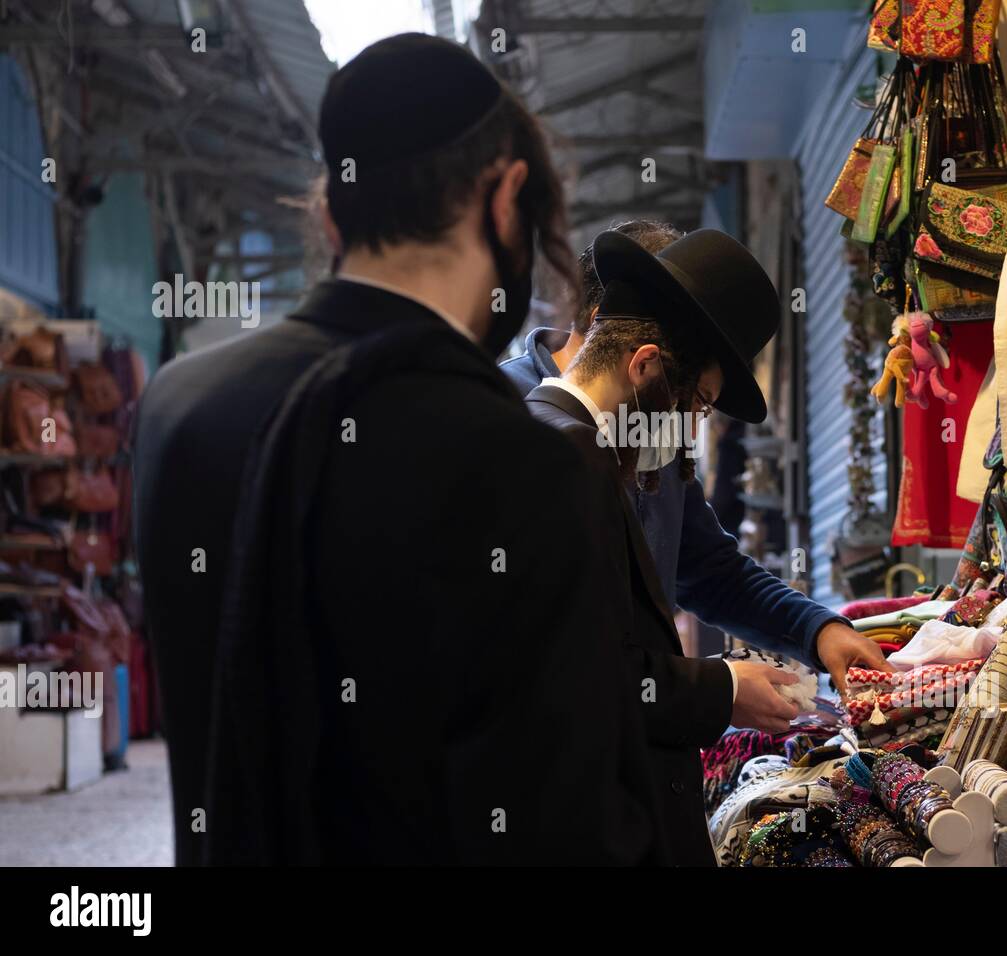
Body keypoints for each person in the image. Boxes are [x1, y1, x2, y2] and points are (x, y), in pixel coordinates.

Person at [133, 34, 656, 865]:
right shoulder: (528, 465)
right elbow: (560, 832)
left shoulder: (176, 406)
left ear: (333, 215)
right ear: (508, 195)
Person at [503, 221, 893, 696]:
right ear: (616, 321)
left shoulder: (650, 420)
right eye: (695, 404)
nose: (690, 429)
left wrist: (817, 629)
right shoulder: (511, 420)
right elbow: (553, 656)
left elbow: (710, 570)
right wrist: (717, 693)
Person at [527, 227, 808, 864]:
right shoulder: (564, 457)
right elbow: (580, 683)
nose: (688, 432)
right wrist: (726, 686)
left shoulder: (565, 443)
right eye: (695, 405)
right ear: (646, 364)